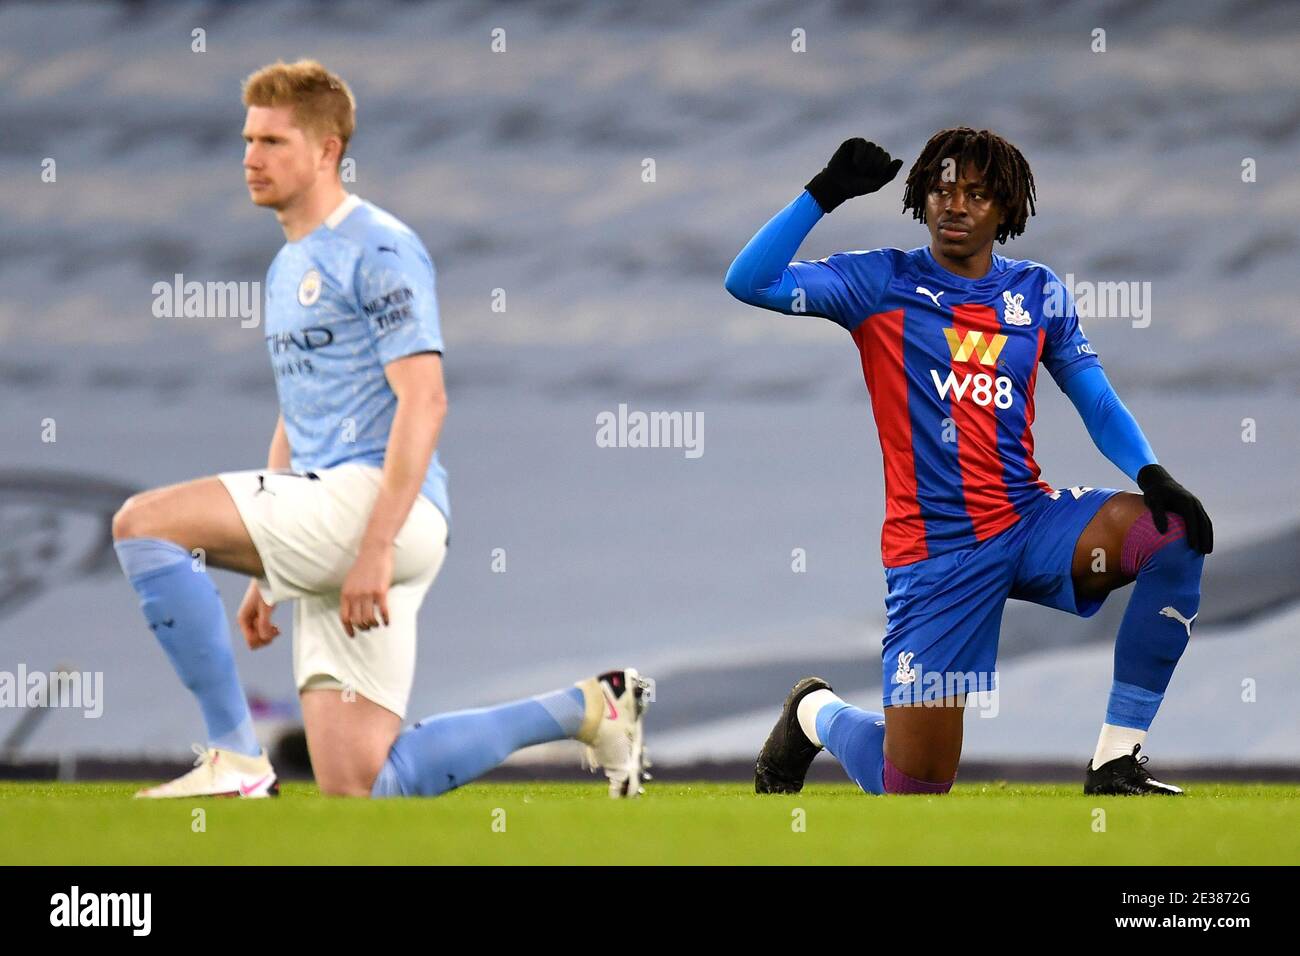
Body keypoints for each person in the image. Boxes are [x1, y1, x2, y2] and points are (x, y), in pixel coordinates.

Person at [113, 60, 650, 800]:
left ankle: (235, 758)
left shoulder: (378, 247)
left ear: (328, 150)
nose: (250, 157)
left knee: (144, 525)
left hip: (377, 509)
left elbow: (424, 401)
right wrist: (270, 572)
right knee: (362, 786)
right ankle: (591, 708)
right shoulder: (286, 265)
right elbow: (296, 412)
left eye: (272, 140)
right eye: (247, 139)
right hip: (342, 512)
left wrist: (372, 546)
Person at [725, 130, 1212, 796]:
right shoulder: (878, 282)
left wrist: (1153, 474)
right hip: (936, 553)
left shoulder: (1037, 294)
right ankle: (814, 714)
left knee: (1172, 535)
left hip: (1028, 523)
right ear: (920, 198)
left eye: (976, 194)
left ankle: (1116, 760)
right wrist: (824, 193)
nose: (955, 205)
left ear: (1006, 210)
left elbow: (1094, 399)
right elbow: (749, 281)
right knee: (914, 787)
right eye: (942, 189)